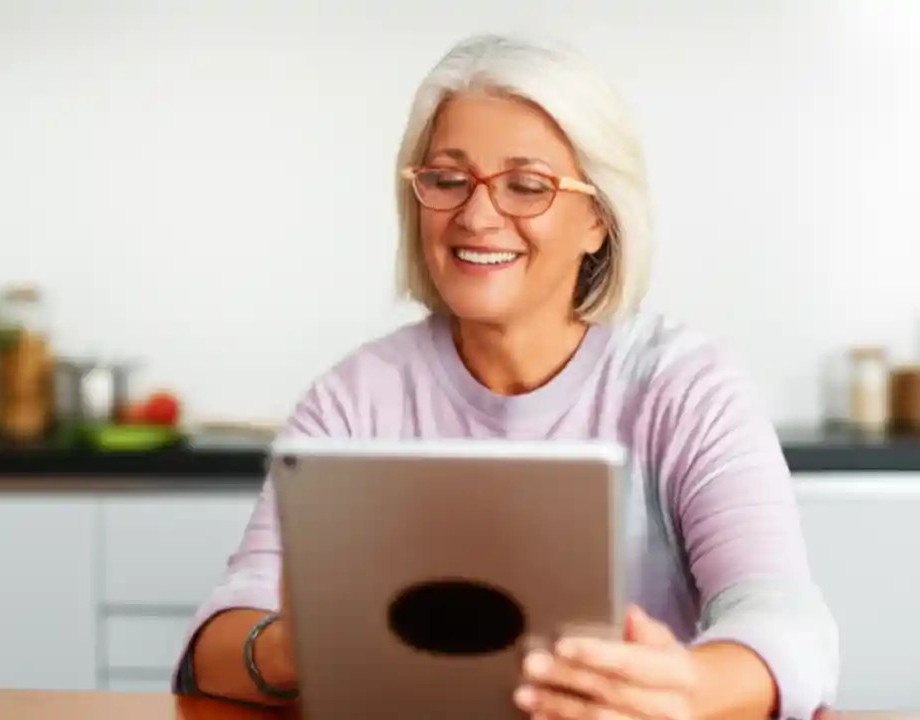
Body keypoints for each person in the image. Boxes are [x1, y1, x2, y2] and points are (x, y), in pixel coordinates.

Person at [173, 33, 839, 720]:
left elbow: (788, 623)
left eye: (527, 186)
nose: (477, 215)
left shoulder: (684, 388)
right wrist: (295, 648)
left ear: (598, 222)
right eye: (447, 179)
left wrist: (683, 690)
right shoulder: (355, 398)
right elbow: (218, 642)